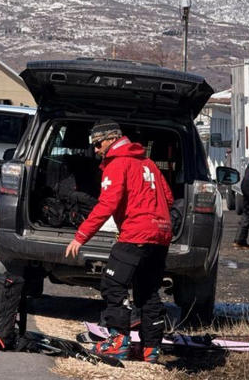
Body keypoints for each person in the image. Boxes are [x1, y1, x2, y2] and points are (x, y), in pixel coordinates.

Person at [65, 120, 173, 363]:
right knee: (147, 291)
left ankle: (118, 341)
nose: (95, 150)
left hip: (137, 232)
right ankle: (150, 348)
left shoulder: (117, 163)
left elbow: (107, 204)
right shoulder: (148, 163)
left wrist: (81, 236)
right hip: (161, 234)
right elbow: (168, 196)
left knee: (113, 284)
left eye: (98, 144)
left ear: (112, 139)